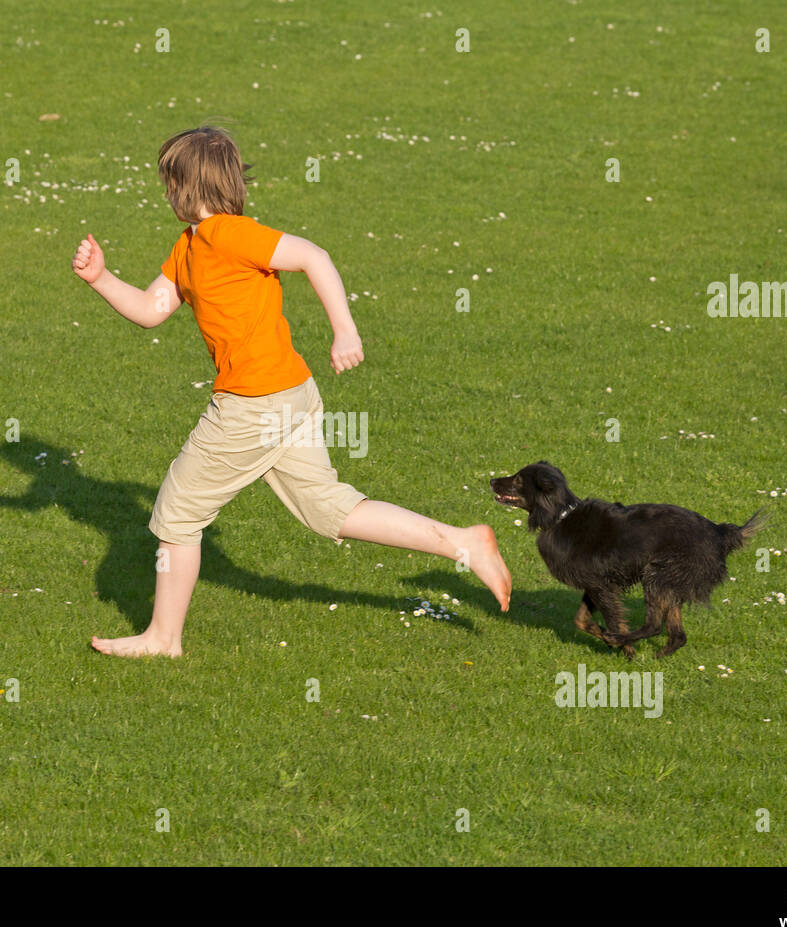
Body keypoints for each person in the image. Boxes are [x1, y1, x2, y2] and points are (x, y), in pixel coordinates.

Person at [72, 126, 510, 657]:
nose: (166, 194)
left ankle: (164, 638)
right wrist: (101, 278)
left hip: (252, 404)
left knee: (177, 515)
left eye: (169, 183)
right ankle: (461, 541)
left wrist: (345, 330)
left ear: (189, 188)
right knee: (328, 507)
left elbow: (313, 256)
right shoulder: (187, 248)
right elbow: (151, 310)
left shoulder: (231, 235)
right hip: (291, 396)